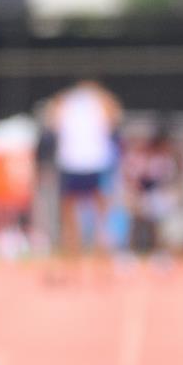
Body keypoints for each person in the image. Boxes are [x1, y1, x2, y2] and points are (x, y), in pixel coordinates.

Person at [44, 79, 123, 278]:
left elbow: (51, 124)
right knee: (101, 220)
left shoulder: (64, 103)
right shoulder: (102, 102)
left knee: (71, 221)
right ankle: (102, 269)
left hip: (72, 164)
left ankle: (74, 269)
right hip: (95, 163)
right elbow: (115, 119)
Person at [123, 125, 182, 267]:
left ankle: (159, 253)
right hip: (140, 193)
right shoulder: (139, 156)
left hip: (157, 193)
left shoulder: (164, 159)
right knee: (135, 217)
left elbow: (167, 181)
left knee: (159, 218)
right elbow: (131, 178)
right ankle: (130, 253)